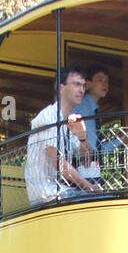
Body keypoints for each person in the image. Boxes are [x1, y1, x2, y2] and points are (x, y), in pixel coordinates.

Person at [25, 67, 103, 205]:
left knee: (104, 200)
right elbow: (59, 164)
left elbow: (85, 159)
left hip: (62, 191)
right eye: (76, 84)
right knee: (99, 201)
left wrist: (82, 137)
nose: (81, 90)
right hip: (46, 193)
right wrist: (90, 187)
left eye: (83, 85)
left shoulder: (68, 120)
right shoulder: (49, 116)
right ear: (62, 88)